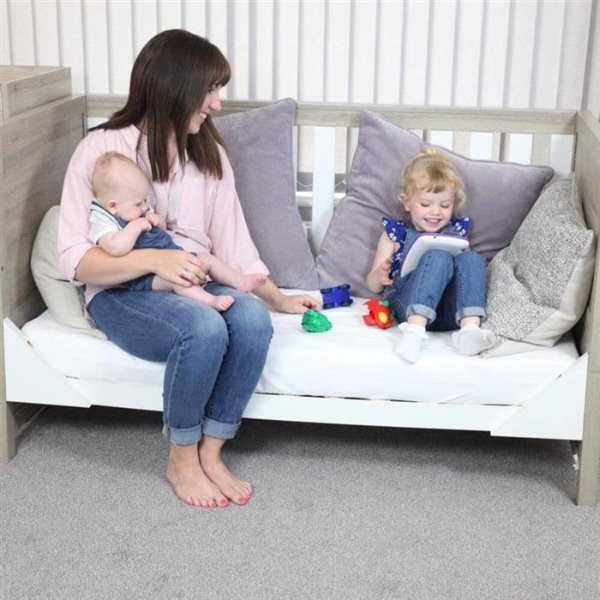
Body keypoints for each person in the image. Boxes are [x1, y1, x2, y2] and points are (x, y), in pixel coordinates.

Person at [58, 29, 319, 508]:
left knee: (251, 320)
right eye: (210, 90)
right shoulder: (101, 152)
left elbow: (235, 245)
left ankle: (211, 451)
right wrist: (153, 259)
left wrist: (278, 299)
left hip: (196, 277)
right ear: (174, 88)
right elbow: (76, 260)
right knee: (204, 326)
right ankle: (181, 458)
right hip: (123, 292)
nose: (217, 104)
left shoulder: (208, 155)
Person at [90, 151, 266, 311]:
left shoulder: (133, 207)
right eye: (138, 204)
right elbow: (115, 248)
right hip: (145, 277)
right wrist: (135, 226)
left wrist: (156, 221)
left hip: (173, 256)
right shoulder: (103, 219)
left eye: (144, 200)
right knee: (178, 281)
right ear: (113, 206)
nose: (144, 207)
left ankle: (240, 281)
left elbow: (162, 230)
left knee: (207, 259)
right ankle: (210, 301)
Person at [366, 148, 497, 363]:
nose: (435, 212)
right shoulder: (395, 234)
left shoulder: (456, 232)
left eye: (445, 205)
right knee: (438, 257)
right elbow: (372, 286)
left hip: (447, 313)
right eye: (425, 204)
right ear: (407, 202)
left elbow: (464, 278)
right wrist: (380, 274)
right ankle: (414, 333)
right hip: (407, 306)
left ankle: (469, 331)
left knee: (472, 259)